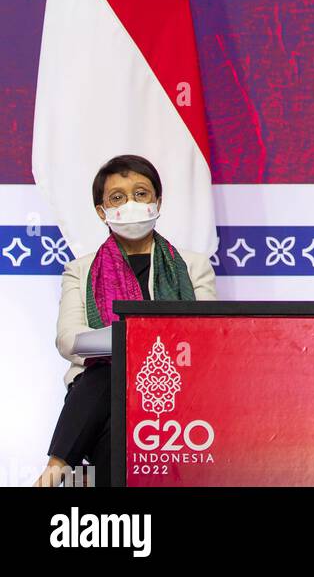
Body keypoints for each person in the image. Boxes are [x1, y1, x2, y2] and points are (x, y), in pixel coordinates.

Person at [35, 154, 216, 487]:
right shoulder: (81, 269)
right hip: (100, 389)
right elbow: (69, 340)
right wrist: (147, 340)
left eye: (141, 193)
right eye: (117, 197)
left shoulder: (193, 266)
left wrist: (127, 342)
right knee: (110, 376)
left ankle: (51, 476)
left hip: (178, 386)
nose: (130, 203)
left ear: (157, 201)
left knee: (110, 398)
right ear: (102, 211)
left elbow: (207, 335)